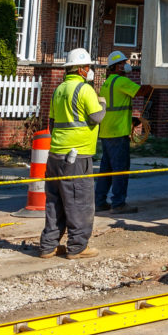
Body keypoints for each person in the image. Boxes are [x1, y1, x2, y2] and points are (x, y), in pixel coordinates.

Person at [39, 48, 106, 259]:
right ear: (81, 69)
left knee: (55, 202)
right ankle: (77, 247)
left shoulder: (58, 90)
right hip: (77, 155)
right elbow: (97, 117)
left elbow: (51, 123)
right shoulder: (85, 90)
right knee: (80, 202)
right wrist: (103, 103)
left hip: (55, 154)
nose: (90, 70)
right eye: (88, 67)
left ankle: (48, 246)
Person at [95, 52, 152, 214]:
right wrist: (155, 79)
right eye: (122, 63)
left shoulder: (107, 83)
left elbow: (116, 106)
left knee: (106, 170)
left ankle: (99, 202)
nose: (126, 65)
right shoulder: (121, 81)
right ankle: (118, 204)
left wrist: (131, 120)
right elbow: (142, 91)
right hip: (118, 133)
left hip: (107, 131)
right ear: (115, 67)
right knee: (121, 169)